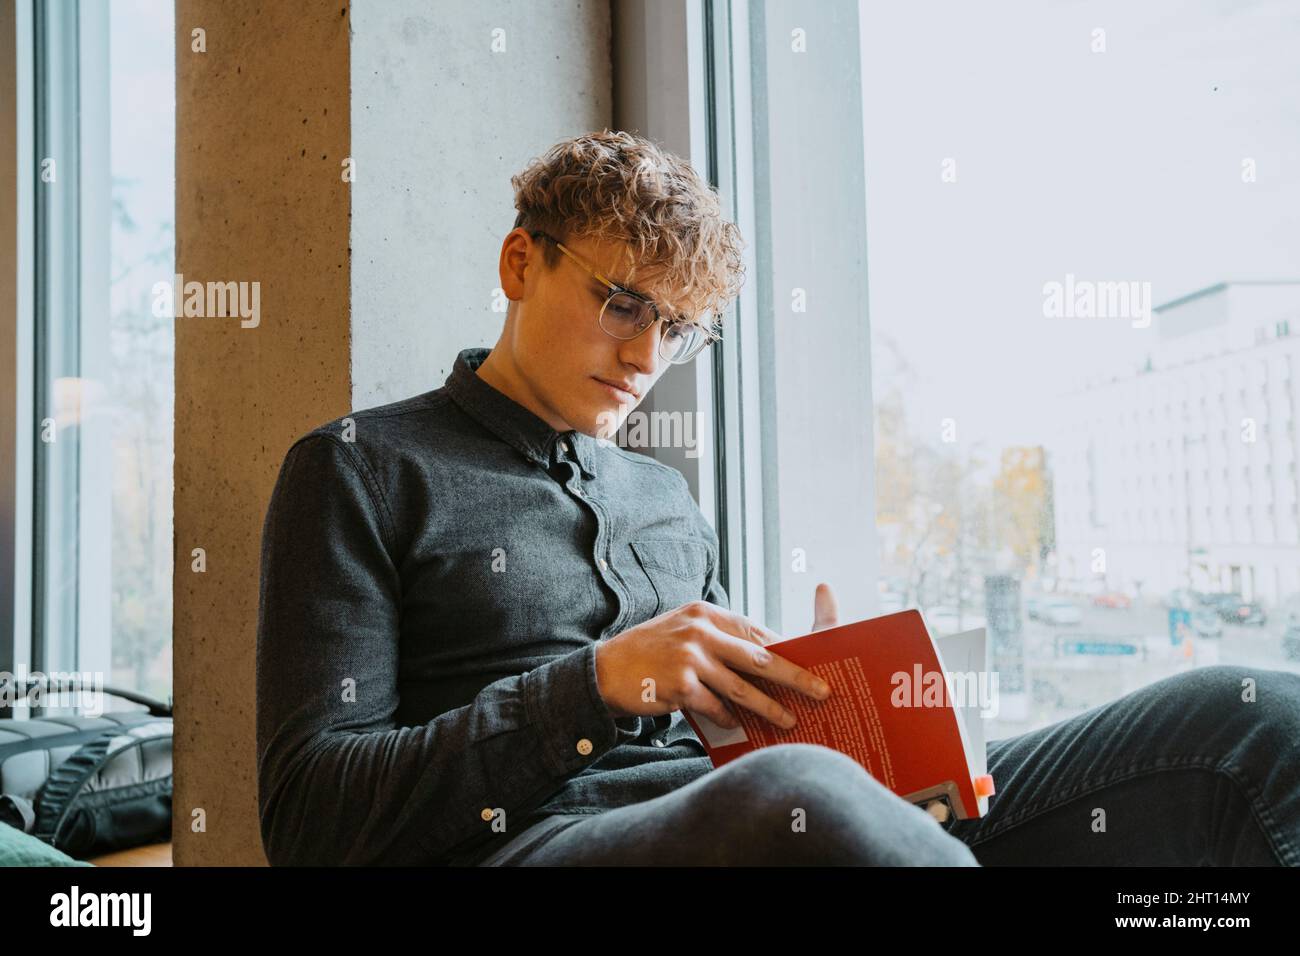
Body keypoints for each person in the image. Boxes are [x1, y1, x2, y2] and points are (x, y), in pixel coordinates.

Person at [255, 129, 1300, 866]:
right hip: (532, 840)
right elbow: (309, 818)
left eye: (677, 328)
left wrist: (824, 703)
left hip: (757, 810)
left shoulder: (663, 496)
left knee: (1245, 717)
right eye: (622, 302)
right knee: (798, 797)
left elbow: (722, 747)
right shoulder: (358, 465)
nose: (644, 354)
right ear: (519, 262)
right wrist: (597, 684)